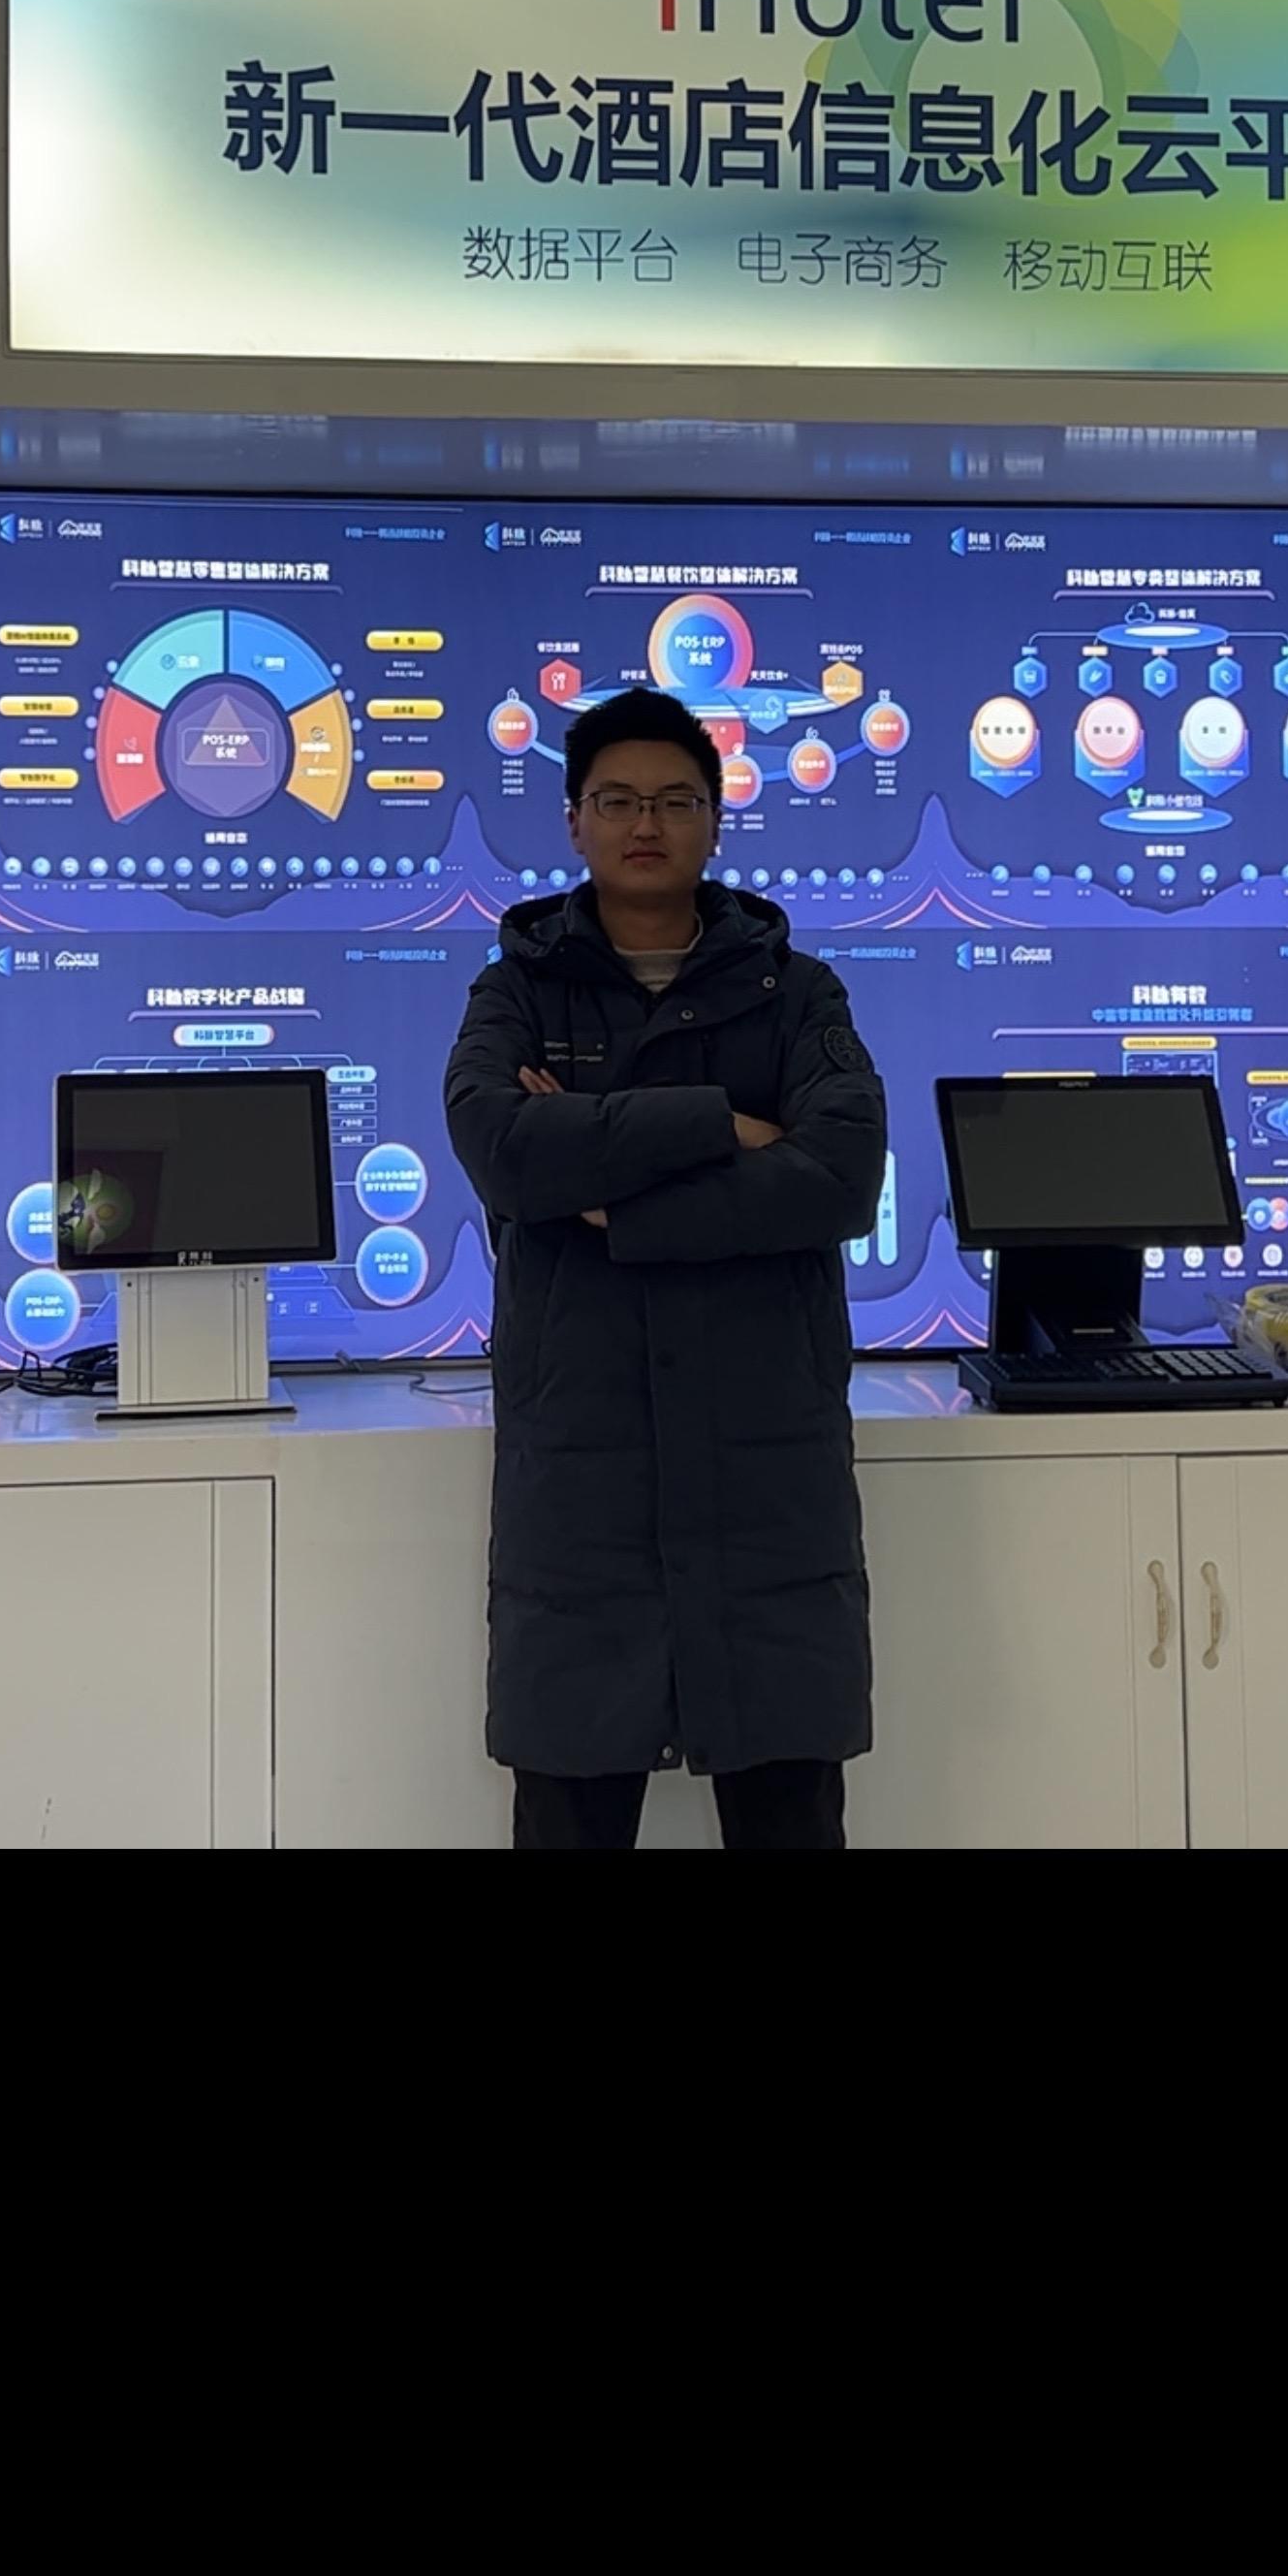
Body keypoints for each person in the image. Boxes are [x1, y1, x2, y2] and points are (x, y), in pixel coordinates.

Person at [445, 684, 887, 1852]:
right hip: (583, 1473)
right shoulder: (518, 987)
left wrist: (606, 1189)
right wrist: (722, 1123)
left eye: (677, 800)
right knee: (569, 1808)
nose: (647, 822)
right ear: (574, 819)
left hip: (767, 1467)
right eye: (618, 799)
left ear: (716, 819)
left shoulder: (795, 989)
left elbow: (840, 1177)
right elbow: (501, 1146)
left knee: (791, 1810)